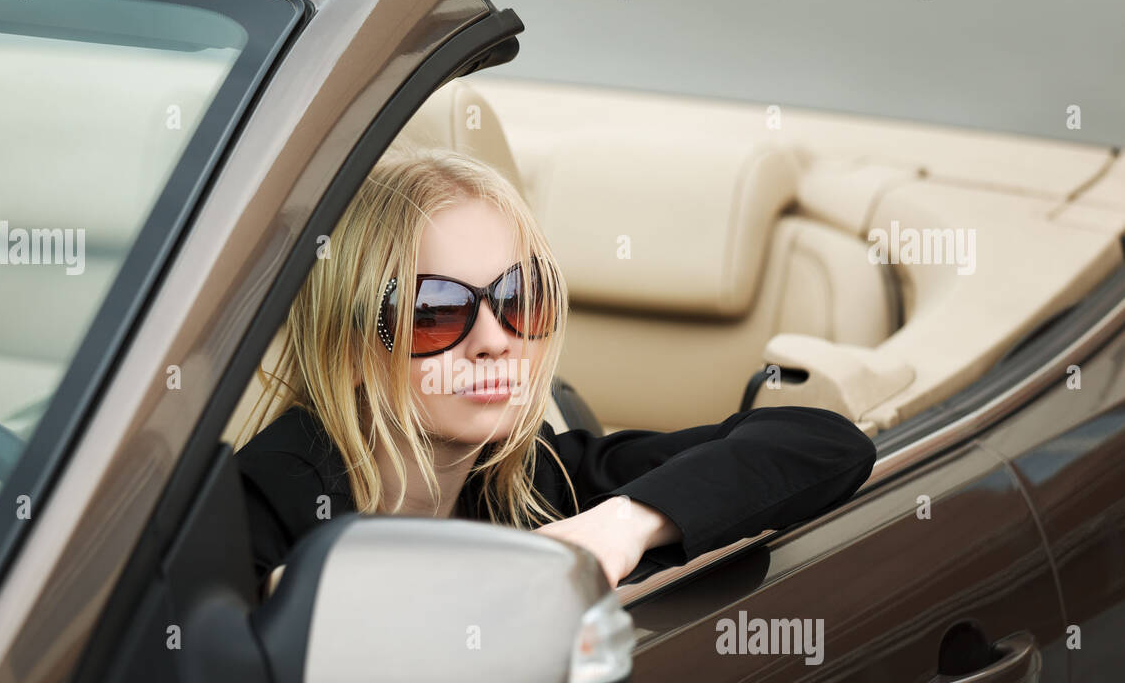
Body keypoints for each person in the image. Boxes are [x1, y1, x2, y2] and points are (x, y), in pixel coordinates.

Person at [231, 145, 876, 594]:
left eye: (520, 297)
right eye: (435, 312)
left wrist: (619, 525)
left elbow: (823, 443)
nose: (494, 340)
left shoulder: (534, 479)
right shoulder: (249, 512)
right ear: (349, 349)